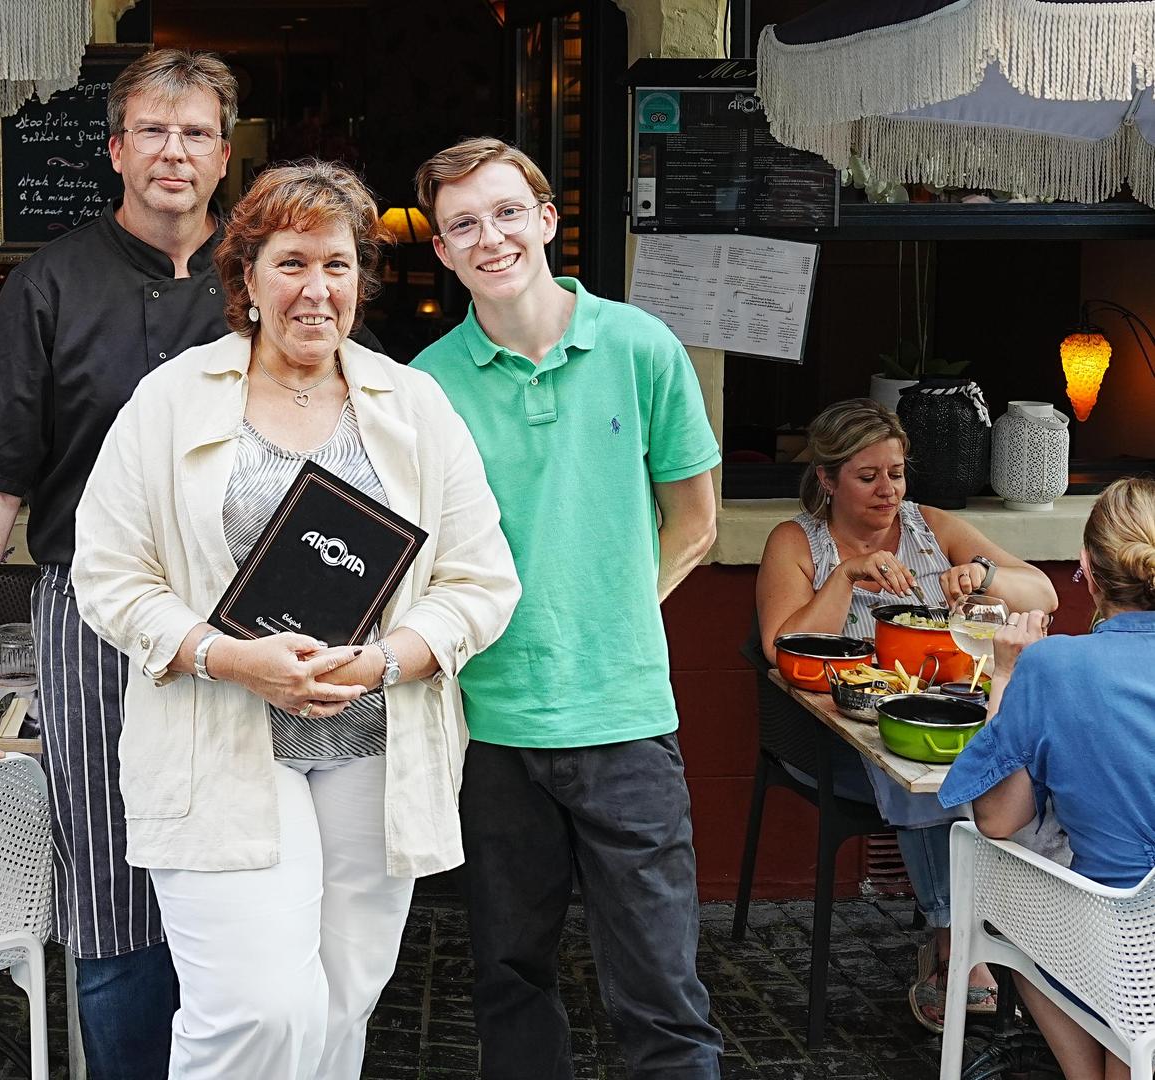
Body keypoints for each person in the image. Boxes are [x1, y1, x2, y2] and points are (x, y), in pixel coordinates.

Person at [71, 160, 520, 1080]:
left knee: (341, 997)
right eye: (291, 264)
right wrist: (227, 657)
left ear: (362, 278)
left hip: (371, 748)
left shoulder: (414, 406)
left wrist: (385, 662)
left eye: (339, 265)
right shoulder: (169, 401)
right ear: (246, 278)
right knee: (256, 1011)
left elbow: (481, 581)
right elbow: (110, 578)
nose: (316, 289)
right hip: (218, 739)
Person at [0, 49, 241, 1080]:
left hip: (248, 618)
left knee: (249, 871)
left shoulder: (269, 277)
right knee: (114, 894)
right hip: (97, 620)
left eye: (196, 132)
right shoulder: (51, 284)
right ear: (118, 151)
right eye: (153, 131)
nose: (174, 150)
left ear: (222, 157)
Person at [410, 137, 723, 1079]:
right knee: (510, 978)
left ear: (547, 220)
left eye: (507, 212)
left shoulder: (640, 345)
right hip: (491, 723)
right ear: (443, 251)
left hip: (624, 717)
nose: (489, 237)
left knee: (662, 990)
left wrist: (616, 613)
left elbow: (697, 521)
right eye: (463, 223)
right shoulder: (424, 386)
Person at [756, 396, 1059, 1031]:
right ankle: (956, 943)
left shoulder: (929, 525)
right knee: (939, 776)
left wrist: (980, 574)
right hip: (839, 737)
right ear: (828, 479)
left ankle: (1038, 928)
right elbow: (781, 648)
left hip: (942, 711)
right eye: (867, 477)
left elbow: (1044, 591)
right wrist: (844, 579)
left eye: (895, 473)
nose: (887, 490)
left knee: (1015, 761)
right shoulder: (795, 541)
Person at [938, 475, 1155, 1080]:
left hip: (1116, 944)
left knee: (1011, 909)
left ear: (1085, 565)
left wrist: (1005, 675)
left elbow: (997, 820)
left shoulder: (1055, 665)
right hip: (1137, 950)